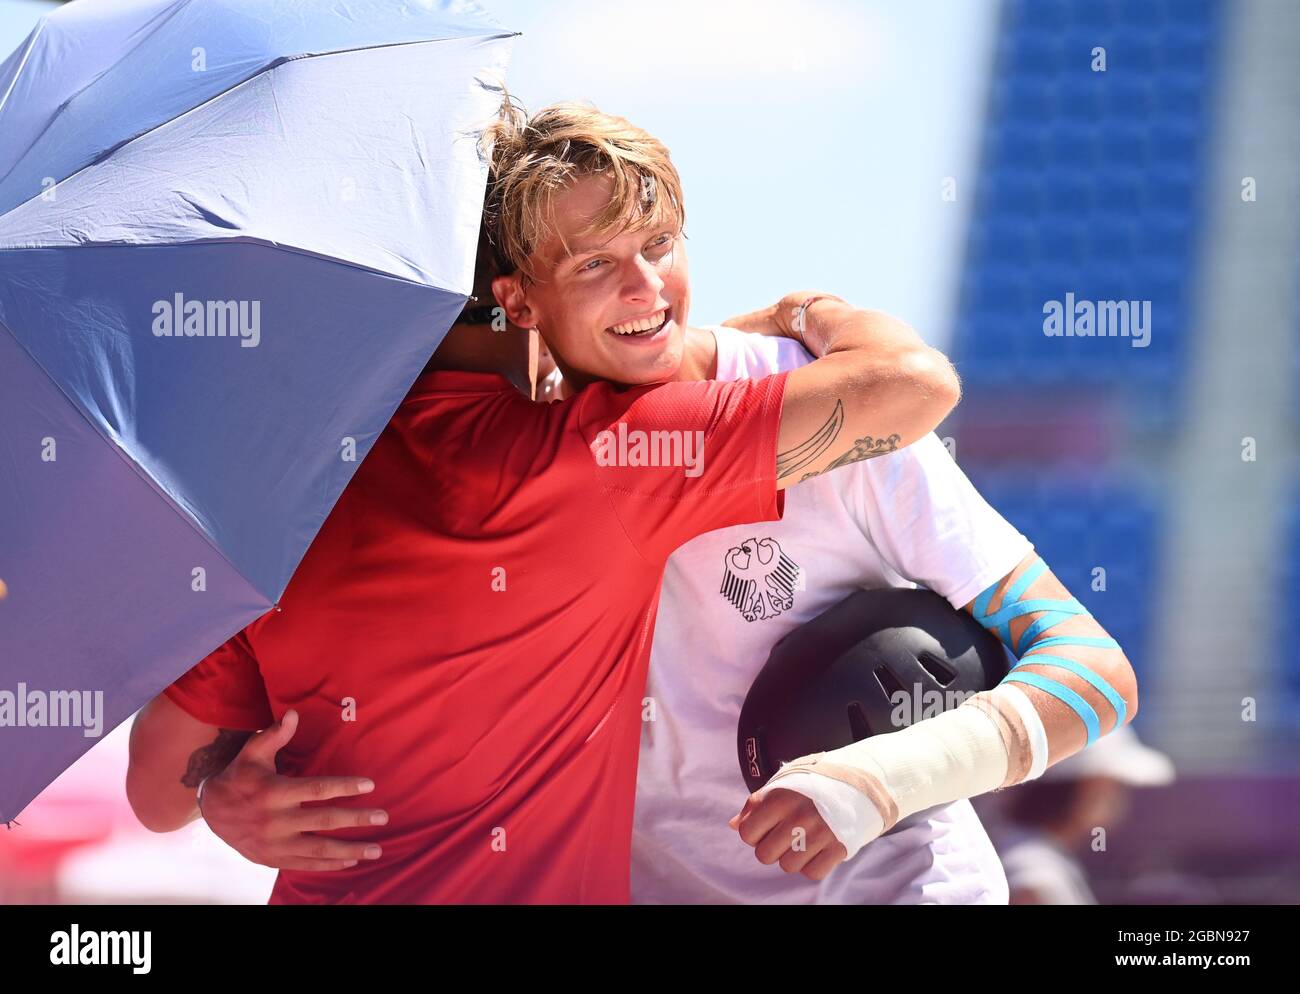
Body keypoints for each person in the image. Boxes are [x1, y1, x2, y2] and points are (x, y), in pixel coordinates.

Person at [125, 98, 962, 903]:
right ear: (516, 298)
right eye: (593, 263)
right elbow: (914, 387)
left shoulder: (271, 502)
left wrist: (221, 798)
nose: (638, 286)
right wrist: (805, 310)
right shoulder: (607, 453)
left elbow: (156, 794)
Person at [993, 725, 1175, 904]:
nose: (1120, 796)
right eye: (1114, 785)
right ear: (1086, 790)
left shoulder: (1038, 859)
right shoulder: (1035, 872)